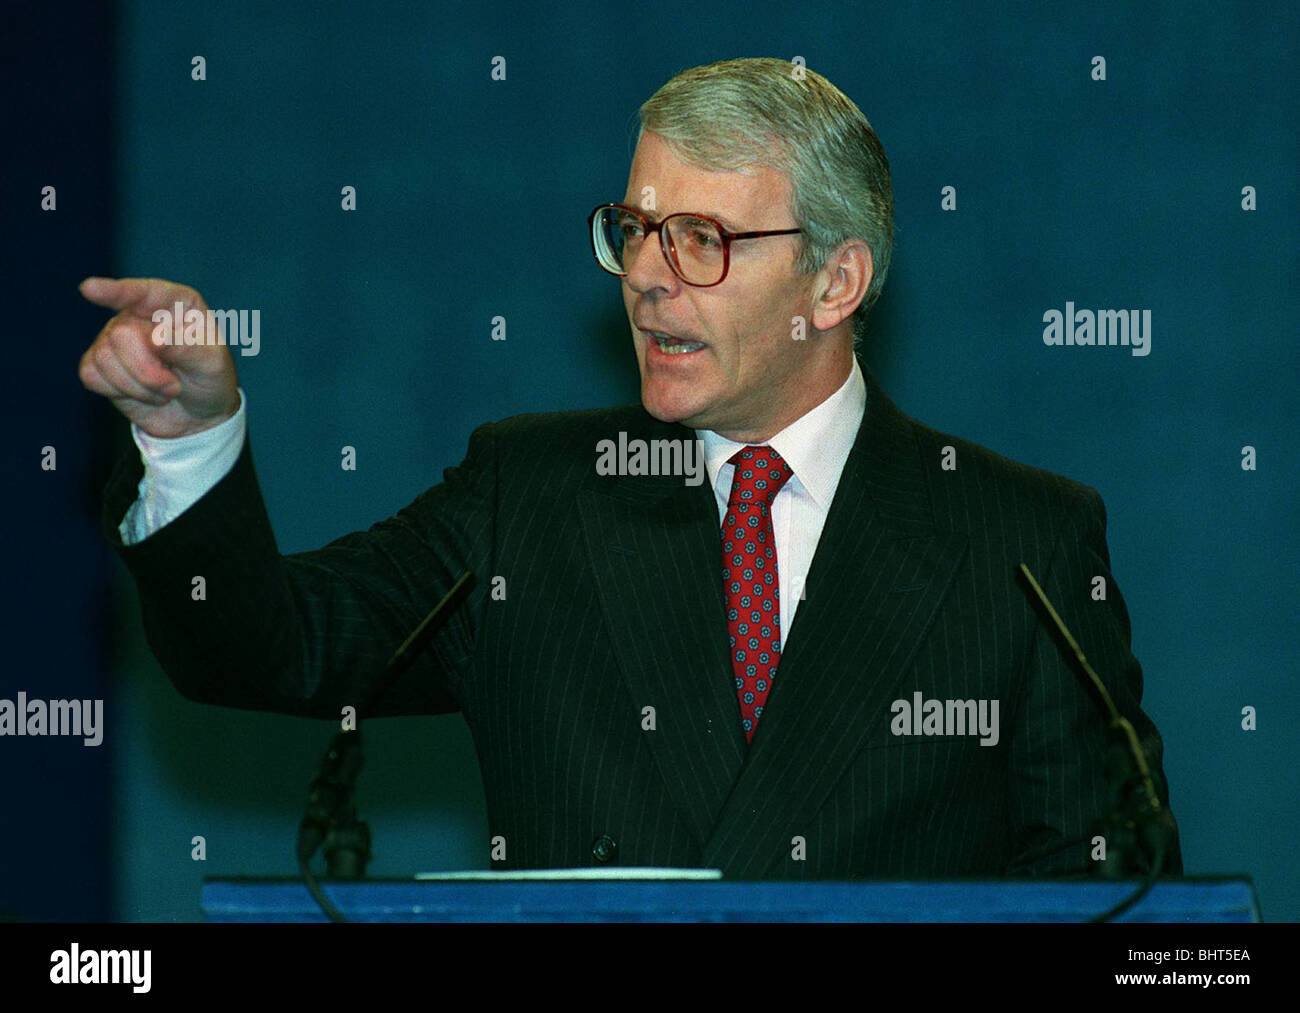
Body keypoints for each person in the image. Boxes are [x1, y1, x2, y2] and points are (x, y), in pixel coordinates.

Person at [78, 57, 1180, 878]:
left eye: (699, 237)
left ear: (834, 284)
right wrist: (189, 438)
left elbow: (1114, 898)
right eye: (633, 229)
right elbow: (265, 646)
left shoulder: (1016, 543)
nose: (648, 278)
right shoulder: (528, 499)